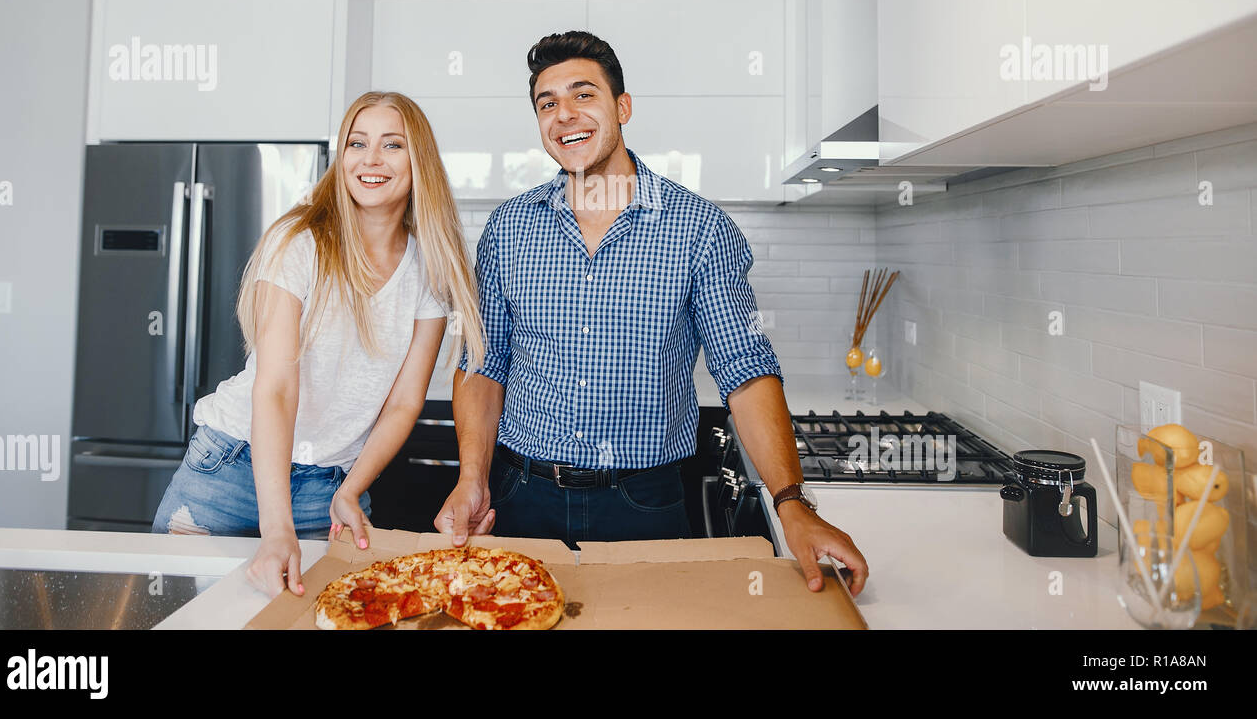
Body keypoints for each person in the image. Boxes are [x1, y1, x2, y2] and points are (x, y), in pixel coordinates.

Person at [433, 31, 869, 596]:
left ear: (622, 107)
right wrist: (473, 478)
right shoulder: (508, 230)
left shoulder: (700, 230)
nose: (564, 115)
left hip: (644, 503)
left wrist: (791, 503)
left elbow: (745, 372)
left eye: (583, 95)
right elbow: (483, 362)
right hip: (521, 495)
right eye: (547, 103)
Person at [152, 92, 485, 599]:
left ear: (419, 161)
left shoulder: (429, 268)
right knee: (178, 614)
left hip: (333, 484)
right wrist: (277, 527)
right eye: (357, 143)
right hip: (230, 470)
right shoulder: (299, 242)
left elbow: (403, 401)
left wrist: (350, 490)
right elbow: (277, 388)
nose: (370, 160)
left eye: (391, 145)